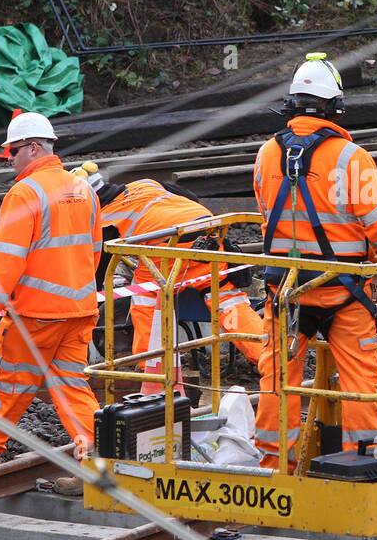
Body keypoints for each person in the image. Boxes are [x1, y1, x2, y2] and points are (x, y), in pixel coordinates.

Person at [252, 52, 377, 469]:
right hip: (344, 291)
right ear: (334, 106)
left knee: (278, 379)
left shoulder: (266, 154)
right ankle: (365, 463)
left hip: (285, 292)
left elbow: (269, 215)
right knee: (360, 381)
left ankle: (273, 468)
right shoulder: (350, 157)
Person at [0, 112, 101, 495]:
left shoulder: (26, 193)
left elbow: (8, 261)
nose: (8, 159)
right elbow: (94, 253)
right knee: (71, 388)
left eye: (12, 151)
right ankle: (95, 465)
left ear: (32, 147)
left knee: (9, 386)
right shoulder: (83, 189)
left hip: (35, 315)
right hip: (79, 311)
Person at [77, 163, 264, 385]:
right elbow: (190, 196)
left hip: (166, 251)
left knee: (145, 300)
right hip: (206, 236)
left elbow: (101, 266)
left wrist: (92, 297)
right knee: (226, 300)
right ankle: (269, 359)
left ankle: (151, 369)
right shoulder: (145, 184)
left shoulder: (104, 216)